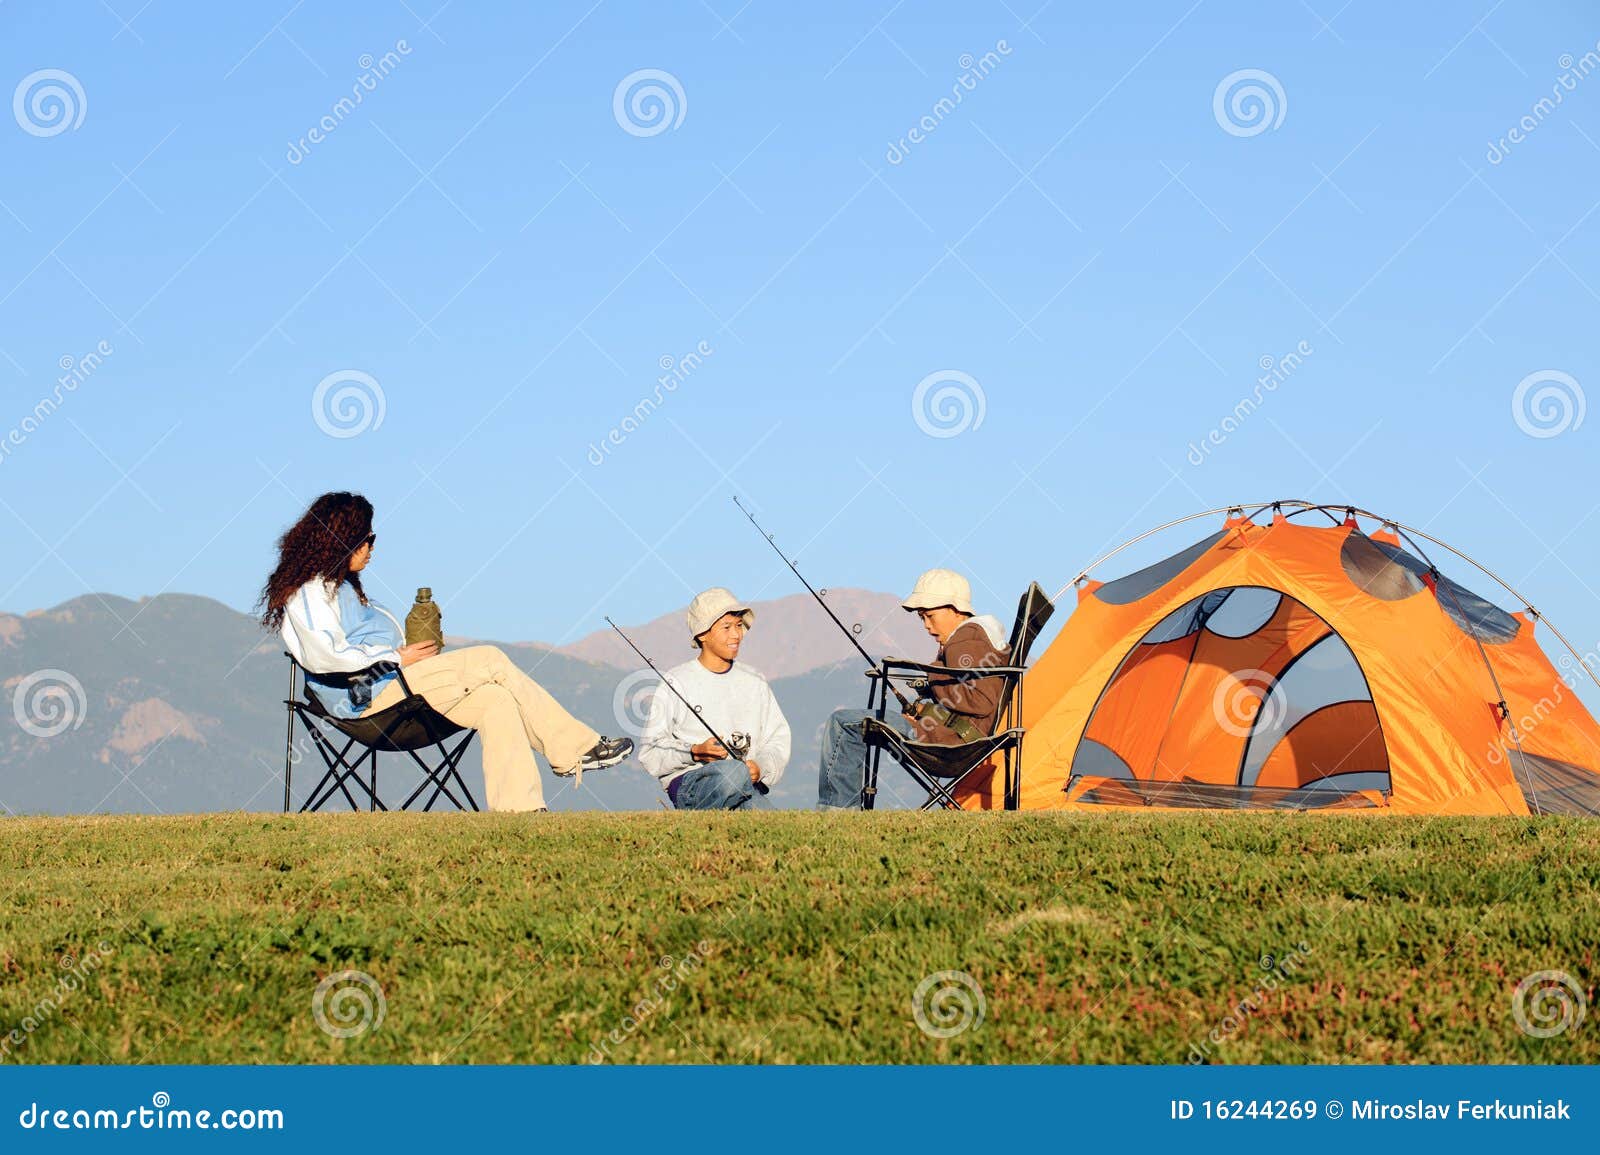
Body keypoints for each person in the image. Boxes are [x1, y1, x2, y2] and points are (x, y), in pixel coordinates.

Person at [259, 492, 632, 812]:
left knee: (495, 700)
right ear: (341, 540)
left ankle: (520, 810)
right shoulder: (310, 591)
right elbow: (325, 654)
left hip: (396, 688)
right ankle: (574, 751)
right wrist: (398, 658)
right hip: (365, 701)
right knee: (489, 659)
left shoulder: (346, 589)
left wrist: (405, 653)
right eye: (367, 538)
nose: (373, 547)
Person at [816, 568, 1008, 809]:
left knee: (842, 723)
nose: (927, 625)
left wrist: (934, 676)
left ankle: (837, 812)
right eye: (921, 618)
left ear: (955, 610)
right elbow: (965, 701)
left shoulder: (966, 639)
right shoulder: (975, 638)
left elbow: (980, 699)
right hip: (951, 738)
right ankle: (842, 809)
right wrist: (926, 711)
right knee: (855, 722)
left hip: (949, 746)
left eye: (929, 615)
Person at [638, 588, 791, 810]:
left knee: (769, 822)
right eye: (726, 627)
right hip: (691, 784)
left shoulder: (755, 681)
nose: (736, 635)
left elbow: (777, 739)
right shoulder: (675, 681)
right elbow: (650, 752)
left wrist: (761, 767)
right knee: (734, 772)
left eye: (739, 625)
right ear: (702, 635)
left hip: (745, 786)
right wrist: (693, 751)